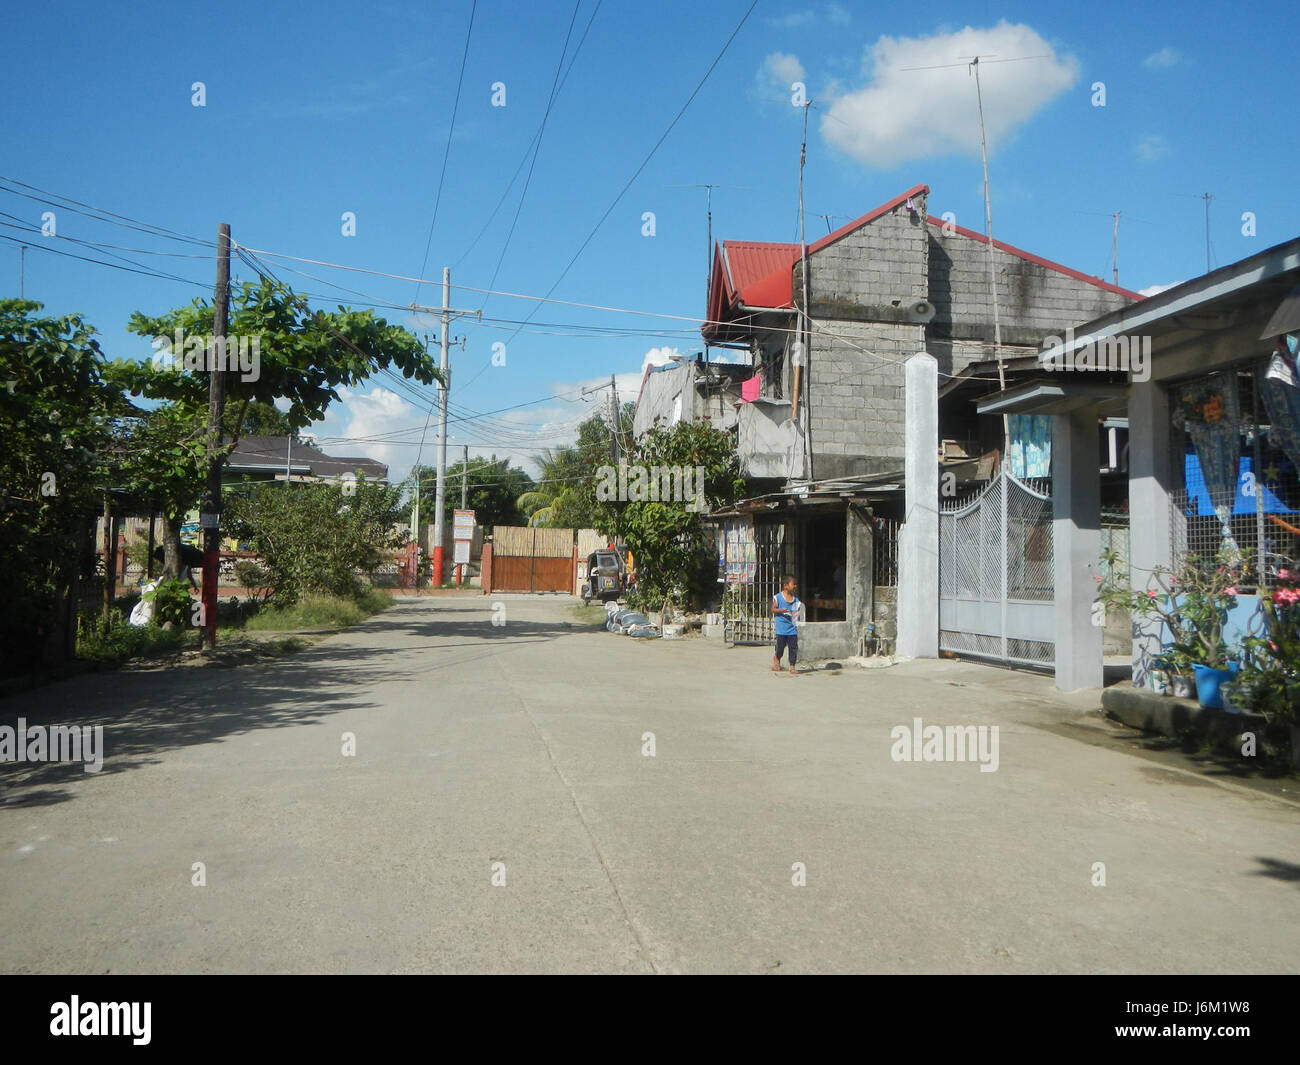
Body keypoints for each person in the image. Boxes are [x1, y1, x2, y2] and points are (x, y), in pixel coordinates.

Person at [771, 574, 802, 675]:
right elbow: (773, 609)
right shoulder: (778, 597)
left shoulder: (795, 599)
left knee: (793, 648)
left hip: (792, 628)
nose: (795, 586)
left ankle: (792, 666)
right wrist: (781, 610)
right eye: (793, 584)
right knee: (780, 647)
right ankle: (777, 658)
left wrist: (796, 614)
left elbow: (798, 612)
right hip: (781, 629)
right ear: (785, 586)